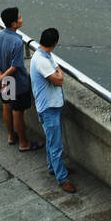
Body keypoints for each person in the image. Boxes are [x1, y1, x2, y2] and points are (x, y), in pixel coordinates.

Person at [0, 7, 40, 151]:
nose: (22, 19)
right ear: (14, 24)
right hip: (17, 82)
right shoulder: (17, 42)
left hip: (4, 81)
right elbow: (15, 66)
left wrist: (0, 76)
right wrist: (4, 77)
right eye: (20, 17)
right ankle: (24, 143)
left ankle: (11, 136)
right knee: (17, 111)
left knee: (7, 105)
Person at [30, 28, 75, 192]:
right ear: (55, 43)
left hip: (51, 106)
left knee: (51, 140)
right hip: (48, 108)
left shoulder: (44, 54)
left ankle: (54, 167)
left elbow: (57, 72)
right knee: (56, 145)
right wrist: (59, 75)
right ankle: (62, 178)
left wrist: (58, 74)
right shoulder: (42, 60)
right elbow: (58, 80)